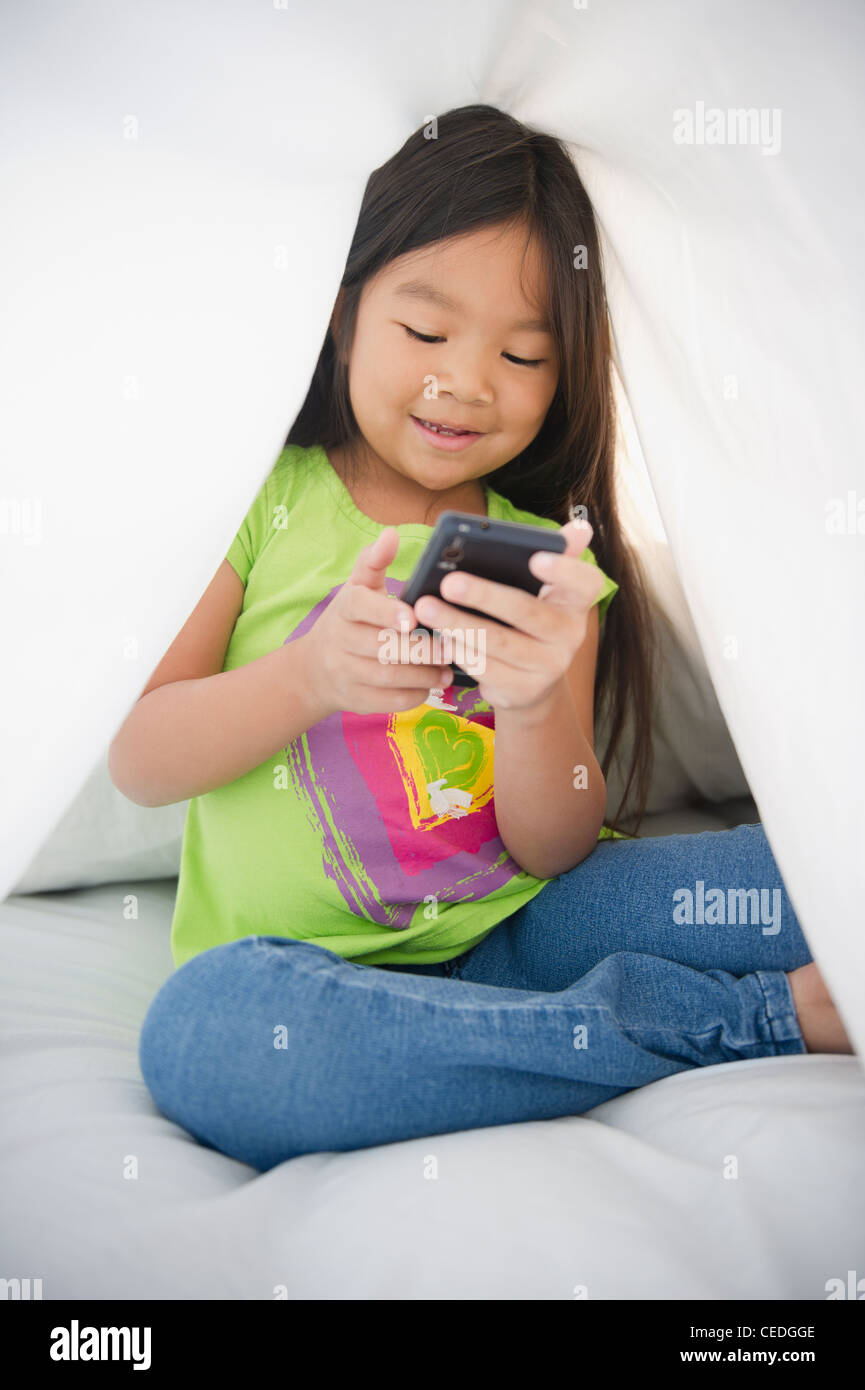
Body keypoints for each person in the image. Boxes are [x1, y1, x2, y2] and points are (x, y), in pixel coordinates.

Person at [110, 105, 852, 1174]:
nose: (466, 381)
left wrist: (538, 699)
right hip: (301, 978)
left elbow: (552, 843)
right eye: (424, 333)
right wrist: (308, 676)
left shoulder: (548, 558)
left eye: (522, 353)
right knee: (202, 1040)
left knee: (813, 874)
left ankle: (529, 1035)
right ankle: (731, 1022)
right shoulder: (262, 504)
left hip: (525, 933)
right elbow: (142, 758)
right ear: (341, 315)